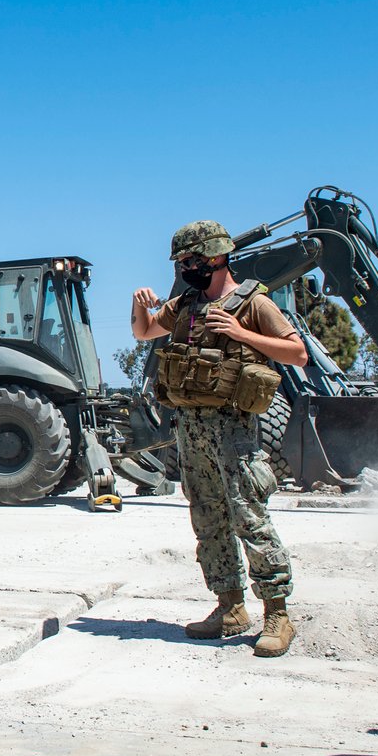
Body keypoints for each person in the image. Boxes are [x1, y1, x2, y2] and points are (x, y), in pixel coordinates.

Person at [131, 220, 309, 657]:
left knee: (248, 514)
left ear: (216, 257)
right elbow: (145, 332)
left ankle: (277, 614)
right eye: (181, 262)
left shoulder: (252, 303)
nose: (186, 268)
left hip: (233, 429)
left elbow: (298, 353)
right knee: (207, 517)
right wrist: (140, 306)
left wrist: (241, 333)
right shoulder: (186, 303)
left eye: (191, 260)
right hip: (191, 429)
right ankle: (229, 607)